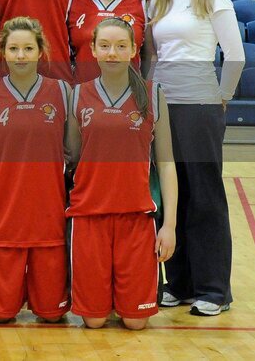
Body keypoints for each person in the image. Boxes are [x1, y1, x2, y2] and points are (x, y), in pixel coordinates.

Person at [147, 0, 243, 317]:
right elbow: (152, 57)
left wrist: (222, 97)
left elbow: (235, 55)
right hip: (162, 106)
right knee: (173, 194)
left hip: (200, 106)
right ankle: (180, 283)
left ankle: (214, 289)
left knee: (204, 195)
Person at [66, 18, 178, 330]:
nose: (112, 52)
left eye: (120, 46)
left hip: (136, 216)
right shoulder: (77, 96)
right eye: (104, 45)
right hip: (89, 215)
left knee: (135, 322)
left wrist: (169, 226)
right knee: (94, 321)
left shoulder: (153, 95)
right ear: (92, 50)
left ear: (133, 50)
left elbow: (166, 164)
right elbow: (73, 157)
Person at [0, 17, 70, 323]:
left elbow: (75, 149)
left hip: (49, 215)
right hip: (5, 215)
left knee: (52, 316)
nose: (20, 55)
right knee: (2, 315)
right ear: (1, 51)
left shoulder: (62, 92)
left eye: (28, 48)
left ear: (41, 51)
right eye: (14, 48)